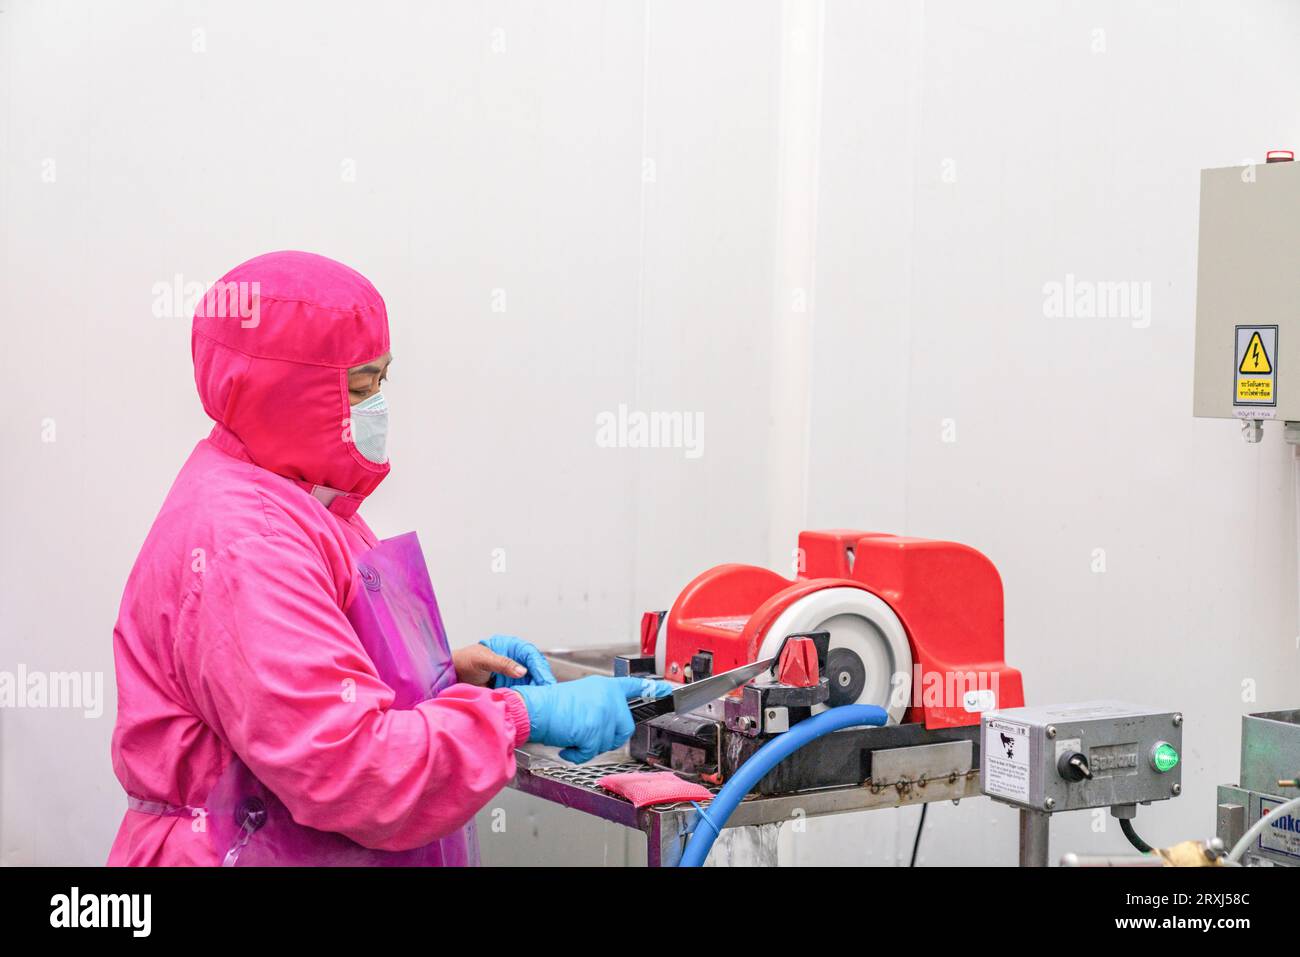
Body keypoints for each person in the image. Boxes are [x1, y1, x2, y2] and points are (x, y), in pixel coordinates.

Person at [108, 250, 666, 866]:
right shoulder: (252, 544)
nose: (377, 403)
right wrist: (518, 715)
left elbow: (314, 690)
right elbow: (349, 766)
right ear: (280, 391)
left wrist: (445, 675)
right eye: (359, 385)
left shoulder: (295, 500)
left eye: (382, 379)